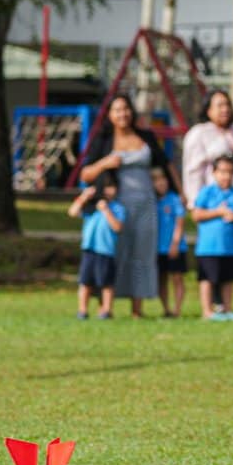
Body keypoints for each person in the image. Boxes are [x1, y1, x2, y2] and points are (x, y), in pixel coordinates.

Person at [79, 94, 171, 319]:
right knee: (113, 252)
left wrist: (180, 193)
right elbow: (85, 174)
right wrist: (104, 163)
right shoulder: (104, 139)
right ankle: (105, 306)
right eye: (117, 110)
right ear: (109, 115)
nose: (123, 114)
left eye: (126, 109)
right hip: (116, 205)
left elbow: (166, 165)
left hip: (145, 203)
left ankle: (137, 309)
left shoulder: (146, 136)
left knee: (142, 253)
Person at [191, 154, 233, 321]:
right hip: (209, 247)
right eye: (222, 171)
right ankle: (207, 310)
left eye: (230, 172)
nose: (226, 175)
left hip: (232, 247)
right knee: (207, 279)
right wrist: (218, 212)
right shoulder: (207, 192)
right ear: (214, 172)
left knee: (228, 279)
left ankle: (227, 309)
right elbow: (196, 214)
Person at [68, 172, 124, 320]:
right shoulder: (90, 207)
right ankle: (82, 310)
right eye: (106, 187)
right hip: (89, 249)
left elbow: (118, 227)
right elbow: (72, 212)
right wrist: (83, 197)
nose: (109, 191)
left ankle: (106, 310)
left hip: (106, 250)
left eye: (112, 187)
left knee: (106, 283)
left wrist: (106, 210)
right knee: (85, 281)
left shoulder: (117, 208)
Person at [152, 164, 188, 319]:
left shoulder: (174, 200)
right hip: (157, 247)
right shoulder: (152, 202)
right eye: (156, 181)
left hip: (175, 246)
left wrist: (175, 243)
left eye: (163, 180)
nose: (161, 183)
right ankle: (166, 309)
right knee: (162, 278)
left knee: (177, 278)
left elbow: (180, 223)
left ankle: (177, 309)